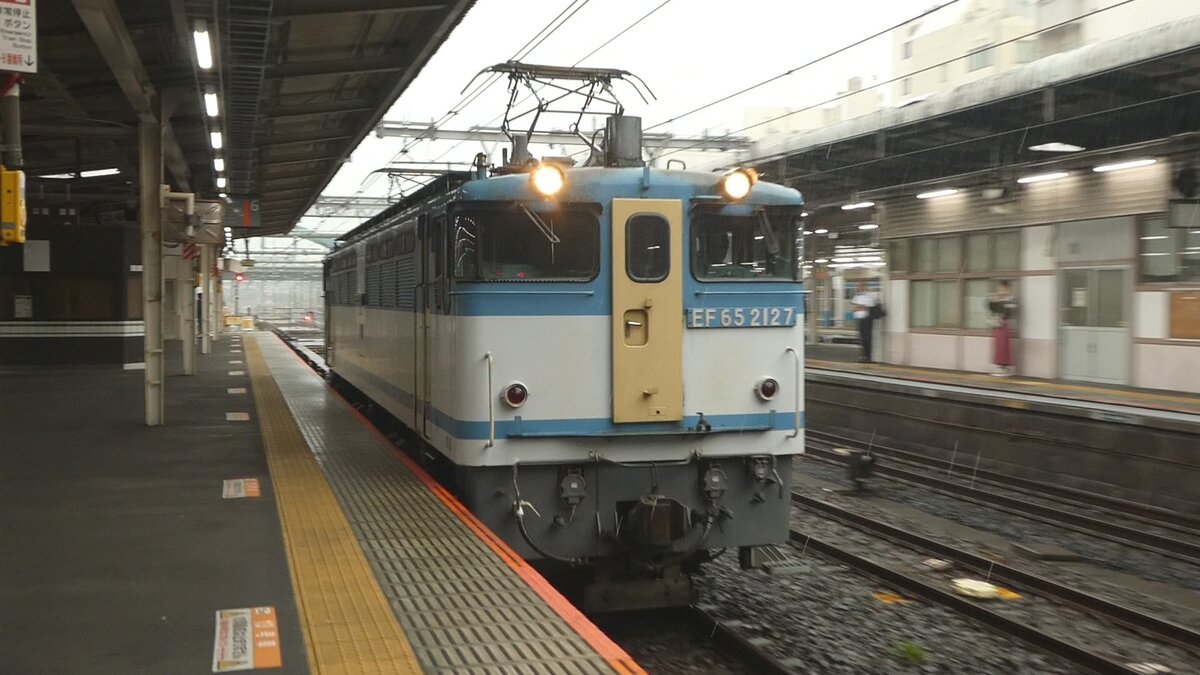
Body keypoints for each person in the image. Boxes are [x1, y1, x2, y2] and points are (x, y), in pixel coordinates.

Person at [987, 280, 1017, 376]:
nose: (1001, 290)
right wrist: (992, 301)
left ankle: (1004, 366)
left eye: (1003, 288)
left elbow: (1009, 311)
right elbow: (991, 308)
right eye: (1000, 288)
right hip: (997, 324)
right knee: (998, 345)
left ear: (1007, 289)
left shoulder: (1011, 299)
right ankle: (999, 365)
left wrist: (1002, 301)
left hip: (1004, 324)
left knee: (1003, 345)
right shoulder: (998, 298)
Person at [851, 281, 879, 363]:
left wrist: (861, 307)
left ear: (864, 286)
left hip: (867, 320)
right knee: (861, 339)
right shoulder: (857, 296)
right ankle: (863, 356)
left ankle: (868, 357)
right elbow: (854, 308)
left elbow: (868, 307)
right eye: (857, 286)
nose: (858, 287)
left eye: (860, 285)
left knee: (867, 339)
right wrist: (860, 307)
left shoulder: (870, 295)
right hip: (859, 320)